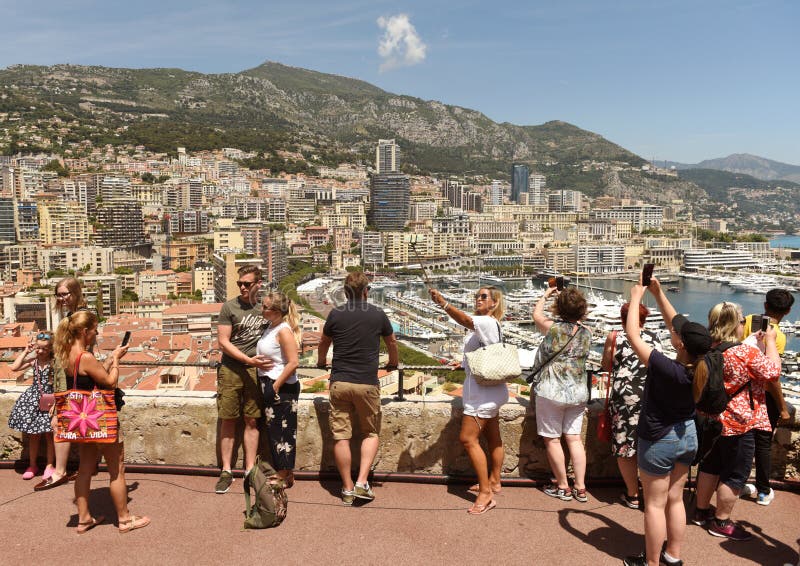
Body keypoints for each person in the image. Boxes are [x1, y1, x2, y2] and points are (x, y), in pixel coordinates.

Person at [622, 277, 711, 566]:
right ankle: (673, 556)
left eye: (677, 334)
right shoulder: (704, 363)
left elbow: (632, 334)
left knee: (655, 505)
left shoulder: (668, 368)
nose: (674, 330)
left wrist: (636, 296)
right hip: (687, 436)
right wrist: (659, 294)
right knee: (675, 499)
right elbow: (678, 323)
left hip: (660, 439)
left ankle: (651, 563)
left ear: (680, 344)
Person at [53, 310, 150, 534]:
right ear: (84, 331)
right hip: (100, 419)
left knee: (85, 469)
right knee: (117, 469)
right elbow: (110, 382)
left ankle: (84, 518)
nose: (97, 334)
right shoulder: (85, 357)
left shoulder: (66, 353)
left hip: (83, 420)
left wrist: (107, 360)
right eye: (95, 330)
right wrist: (116, 360)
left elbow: (89, 379)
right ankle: (124, 519)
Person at [692, 301, 781, 541]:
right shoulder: (745, 353)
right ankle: (721, 521)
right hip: (739, 422)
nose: (744, 324)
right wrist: (770, 342)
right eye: (742, 321)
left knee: (710, 466)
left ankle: (701, 511)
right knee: (734, 474)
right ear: (734, 324)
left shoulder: (707, 348)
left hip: (711, 419)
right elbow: (773, 372)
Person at [317, 271, 398, 505]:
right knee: (370, 433)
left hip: (340, 381)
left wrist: (321, 362)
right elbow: (391, 342)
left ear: (345, 292)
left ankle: (347, 487)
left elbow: (324, 343)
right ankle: (362, 482)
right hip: (366, 382)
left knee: (341, 436)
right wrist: (393, 363)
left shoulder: (335, 314)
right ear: (366, 291)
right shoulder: (378, 314)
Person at [430, 285, 510, 514]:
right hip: (494, 390)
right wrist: (464, 364)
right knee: (493, 438)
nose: (478, 299)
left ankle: (485, 494)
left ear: (494, 302)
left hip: (482, 394)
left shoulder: (486, 321)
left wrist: (443, 303)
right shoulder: (490, 325)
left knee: (468, 439)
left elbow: (464, 319)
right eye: (477, 296)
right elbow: (482, 353)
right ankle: (495, 481)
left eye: (483, 296)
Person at [532, 285, 592, 503]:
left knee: (553, 440)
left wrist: (546, 295)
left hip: (552, 391)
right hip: (578, 392)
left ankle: (563, 486)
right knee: (574, 439)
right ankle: (581, 487)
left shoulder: (553, 328)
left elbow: (536, 315)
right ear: (582, 310)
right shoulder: (587, 332)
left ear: (558, 308)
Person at [215, 264, 272, 494]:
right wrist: (248, 360)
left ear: (258, 284)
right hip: (231, 369)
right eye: (240, 283)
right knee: (228, 419)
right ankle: (226, 470)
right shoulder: (229, 307)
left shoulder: (264, 308)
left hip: (255, 371)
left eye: (247, 284)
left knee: (252, 420)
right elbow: (223, 342)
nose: (242, 287)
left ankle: (250, 469)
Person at [601, 302, 662, 510]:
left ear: (622, 318)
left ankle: (633, 494)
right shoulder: (654, 337)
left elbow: (606, 364)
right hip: (651, 397)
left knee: (625, 445)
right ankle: (651, 493)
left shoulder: (615, 337)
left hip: (625, 398)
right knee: (647, 444)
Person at [34, 276, 89, 491]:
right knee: (67, 424)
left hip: (73, 378)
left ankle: (61, 472)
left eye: (65, 294)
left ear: (75, 292)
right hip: (67, 377)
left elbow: (81, 348)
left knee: (62, 424)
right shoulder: (71, 316)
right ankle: (73, 469)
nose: (62, 298)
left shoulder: (81, 316)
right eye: (58, 295)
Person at [741, 288, 794, 505]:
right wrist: (782, 406)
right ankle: (763, 491)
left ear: (765, 305)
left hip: (742, 390)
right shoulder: (778, 336)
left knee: (742, 439)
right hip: (764, 395)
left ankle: (737, 482)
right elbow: (772, 377)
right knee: (763, 442)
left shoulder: (747, 321)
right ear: (788, 311)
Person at [256, 291, 301, 487]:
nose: (261, 309)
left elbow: (293, 362)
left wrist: (275, 386)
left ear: (275, 311)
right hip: (271, 383)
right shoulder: (271, 327)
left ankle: (284, 474)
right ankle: (285, 473)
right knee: (275, 431)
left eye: (265, 307)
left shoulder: (283, 331)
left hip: (282, 387)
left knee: (284, 431)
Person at [8, 332, 56, 481]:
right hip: (34, 400)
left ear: (51, 348)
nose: (40, 351)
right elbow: (14, 367)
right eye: (38, 348)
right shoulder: (34, 360)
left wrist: (56, 403)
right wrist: (26, 351)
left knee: (50, 435)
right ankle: (32, 465)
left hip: (50, 400)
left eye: (44, 349)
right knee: (33, 435)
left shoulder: (55, 362)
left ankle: (49, 465)